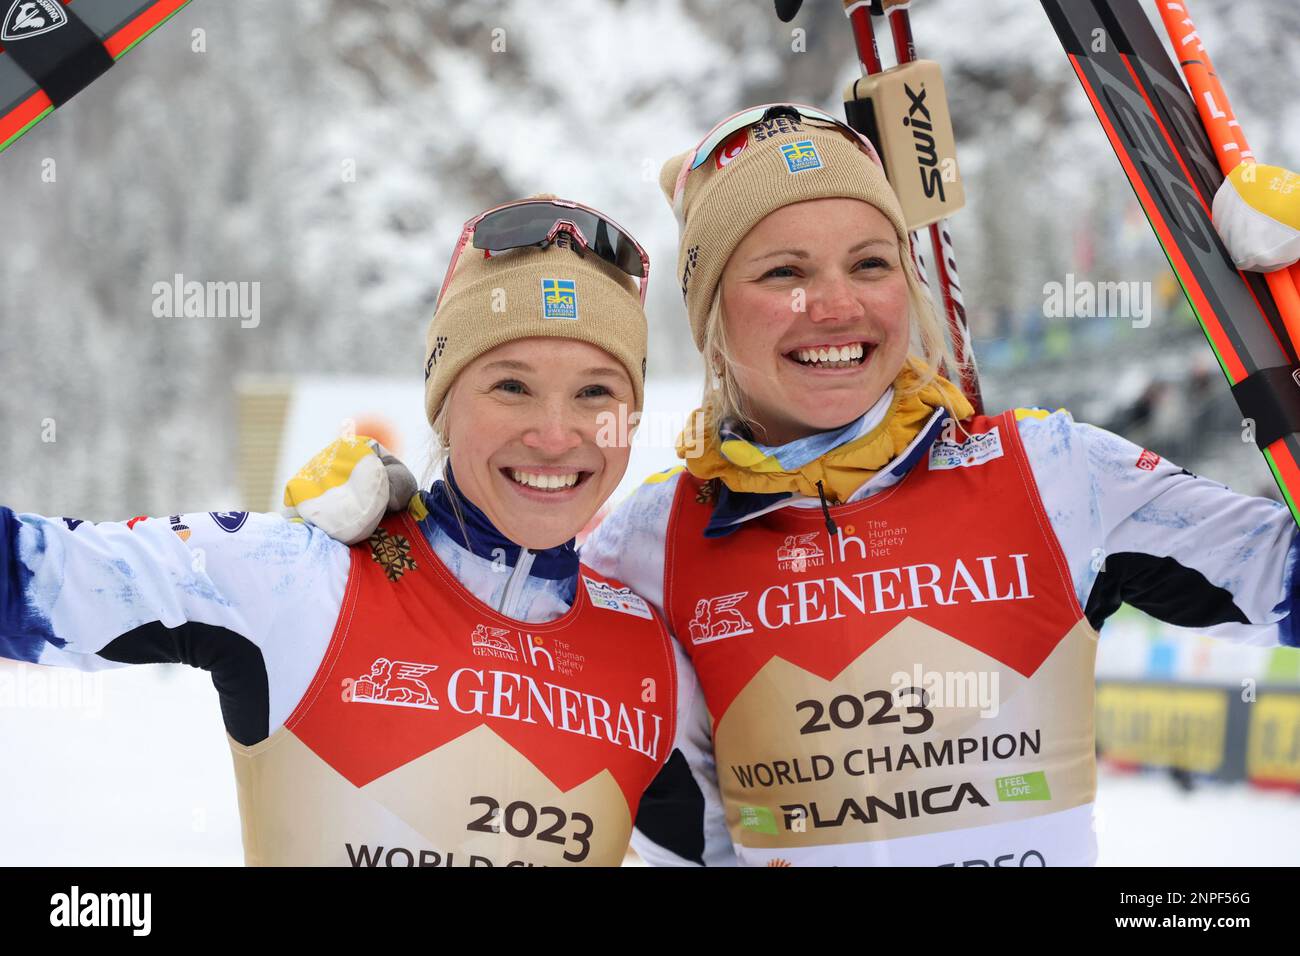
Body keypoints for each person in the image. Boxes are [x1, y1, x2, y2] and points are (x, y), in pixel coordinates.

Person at [301, 105, 1300, 867]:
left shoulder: (1049, 473)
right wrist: (392, 540)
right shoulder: (645, 547)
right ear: (712, 319)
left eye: (870, 263)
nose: (835, 304)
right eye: (781, 271)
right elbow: (454, 671)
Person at [0, 196, 703, 867]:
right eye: (510, 386)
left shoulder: (653, 662)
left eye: (595, 392)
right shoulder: (303, 579)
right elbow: (33, 574)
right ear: (444, 405)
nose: (555, 435)